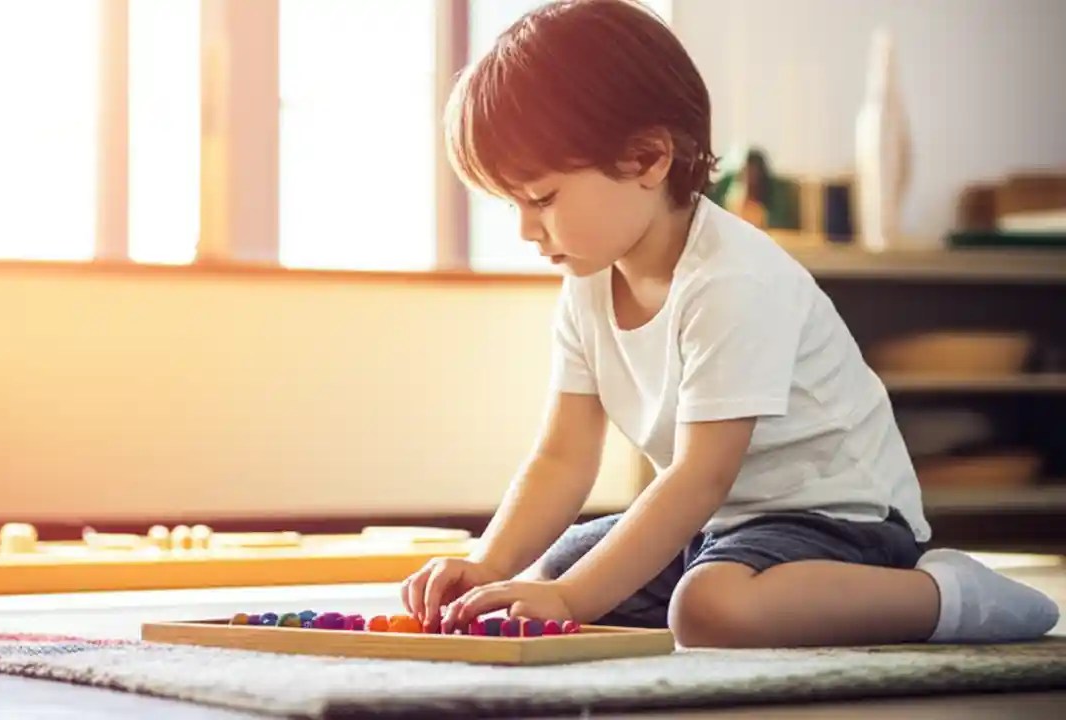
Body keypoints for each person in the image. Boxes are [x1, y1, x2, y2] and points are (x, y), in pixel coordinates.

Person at [401, 0, 1059, 647]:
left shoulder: (733, 280)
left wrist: (573, 600)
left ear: (647, 159)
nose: (524, 229)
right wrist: (491, 564)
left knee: (707, 609)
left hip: (840, 520)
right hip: (721, 525)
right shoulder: (588, 280)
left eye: (540, 198)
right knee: (555, 570)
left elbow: (699, 475)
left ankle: (948, 594)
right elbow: (562, 457)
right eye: (509, 203)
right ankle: (704, 579)